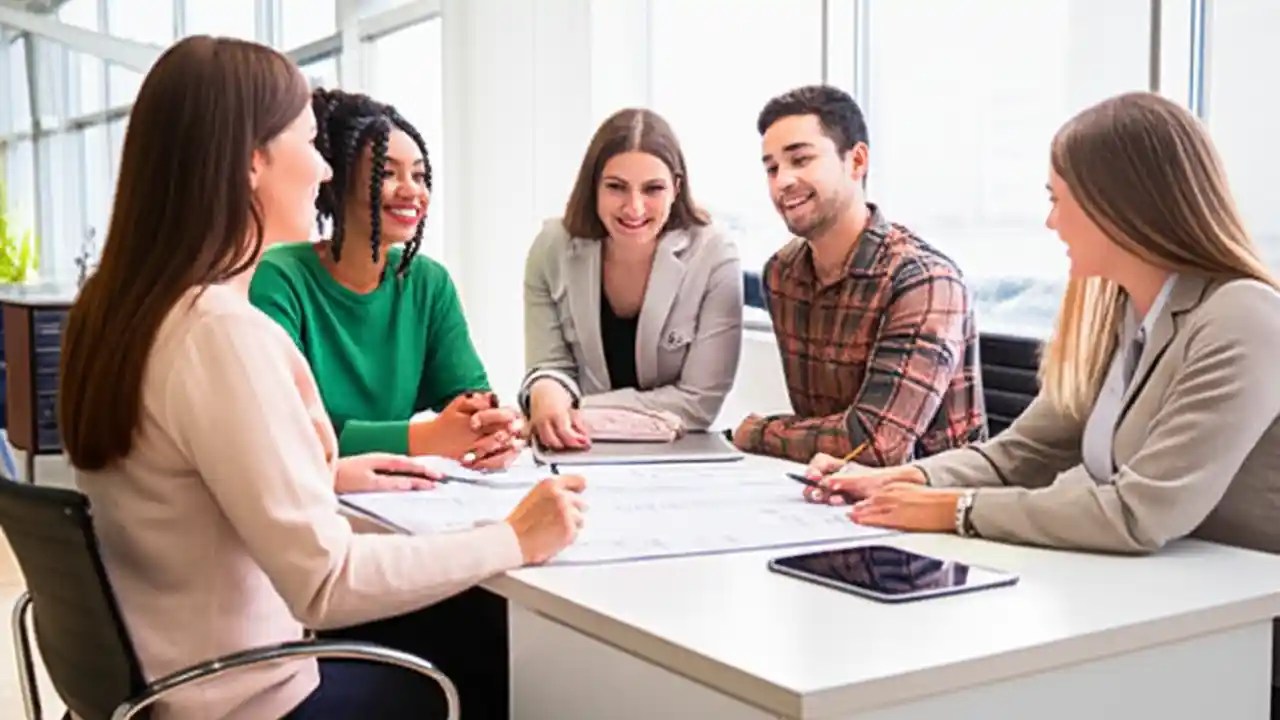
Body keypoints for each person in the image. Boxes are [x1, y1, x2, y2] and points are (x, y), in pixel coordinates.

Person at [58, 36, 586, 720]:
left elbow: (181, 483)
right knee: (496, 644)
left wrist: (326, 471)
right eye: (310, 145)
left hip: (166, 679)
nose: (324, 172)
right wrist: (518, 535)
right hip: (249, 695)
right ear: (252, 160)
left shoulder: (116, 311)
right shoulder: (220, 332)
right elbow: (327, 583)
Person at [801, 91, 1280, 717]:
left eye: (1058, 199)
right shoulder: (1119, 315)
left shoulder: (1241, 315)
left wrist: (954, 511)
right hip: (1145, 605)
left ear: (1120, 204)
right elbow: (1021, 454)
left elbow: (1139, 512)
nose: (1050, 223)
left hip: (1240, 642)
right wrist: (899, 480)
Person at [249, 88, 522, 469]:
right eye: (388, 173)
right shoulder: (280, 277)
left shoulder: (428, 282)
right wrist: (423, 438)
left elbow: (469, 399)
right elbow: (286, 431)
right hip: (318, 496)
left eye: (421, 175)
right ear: (338, 181)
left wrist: (490, 429)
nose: (412, 190)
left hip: (394, 495)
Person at [732, 85, 986, 465]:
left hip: (926, 507)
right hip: (827, 493)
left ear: (856, 161)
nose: (782, 180)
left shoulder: (924, 279)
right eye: (771, 168)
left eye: (800, 160)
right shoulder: (781, 274)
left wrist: (756, 432)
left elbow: (876, 444)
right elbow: (823, 429)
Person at [520, 108, 743, 449]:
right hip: (578, 450)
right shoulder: (551, 247)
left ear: (676, 189)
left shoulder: (714, 253)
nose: (634, 208)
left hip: (679, 453)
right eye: (616, 187)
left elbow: (699, 404)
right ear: (593, 185)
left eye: (653, 189)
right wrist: (545, 388)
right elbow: (549, 364)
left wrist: (571, 407)